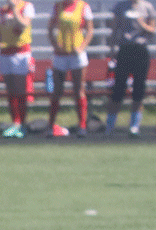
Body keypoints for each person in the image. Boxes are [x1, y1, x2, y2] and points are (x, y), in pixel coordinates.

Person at [103, 0, 156, 136]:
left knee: (139, 88)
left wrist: (142, 23)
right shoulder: (120, 6)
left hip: (140, 49)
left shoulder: (147, 7)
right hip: (125, 49)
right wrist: (112, 49)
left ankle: (134, 125)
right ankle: (110, 125)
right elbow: (115, 29)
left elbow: (152, 30)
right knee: (118, 88)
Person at [46, 0, 96, 135]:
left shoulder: (83, 6)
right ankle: (51, 125)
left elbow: (90, 30)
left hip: (76, 54)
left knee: (79, 90)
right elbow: (50, 28)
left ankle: (82, 126)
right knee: (57, 90)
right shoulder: (58, 7)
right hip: (61, 54)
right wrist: (55, 45)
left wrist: (81, 47)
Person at [0, 0, 35, 135]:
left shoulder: (26, 6)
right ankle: (15, 123)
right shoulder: (2, 10)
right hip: (6, 53)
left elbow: (24, 24)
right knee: (11, 92)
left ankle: (22, 124)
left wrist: (14, 10)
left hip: (21, 52)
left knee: (20, 91)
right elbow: (0, 30)